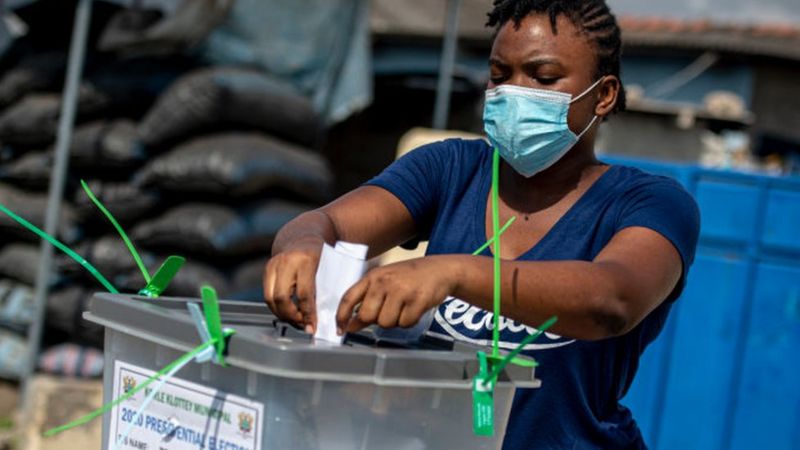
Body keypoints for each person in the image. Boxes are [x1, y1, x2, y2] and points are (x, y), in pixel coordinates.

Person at [263, 0, 700, 448]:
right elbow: (326, 223)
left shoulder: (648, 203)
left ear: (604, 95)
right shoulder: (451, 169)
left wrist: (452, 273)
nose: (513, 91)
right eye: (499, 74)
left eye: (543, 78)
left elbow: (612, 300)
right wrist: (303, 245)